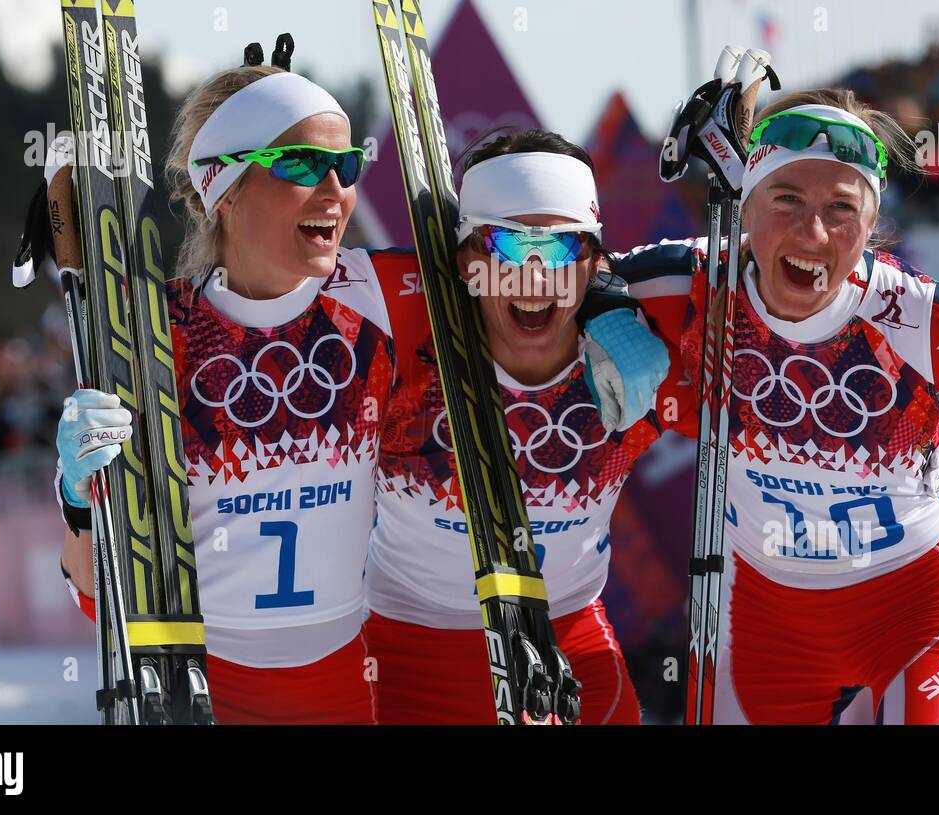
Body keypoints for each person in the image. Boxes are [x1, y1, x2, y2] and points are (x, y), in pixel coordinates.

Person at [50, 60, 664, 724]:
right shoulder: (152, 336)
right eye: (302, 165)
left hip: (339, 690)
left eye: (344, 165)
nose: (334, 189)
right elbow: (97, 591)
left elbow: (530, 256)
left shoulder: (382, 296)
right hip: (199, 687)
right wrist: (78, 502)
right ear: (221, 184)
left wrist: (610, 300)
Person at [365, 127, 939, 724]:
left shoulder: (651, 352)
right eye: (507, 248)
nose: (535, 276)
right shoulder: (399, 339)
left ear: (594, 261)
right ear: (467, 261)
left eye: (561, 250)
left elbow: (776, 307)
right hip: (404, 653)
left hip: (563, 651)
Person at [619, 68, 939, 724]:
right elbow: (561, 276)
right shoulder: (691, 279)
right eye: (787, 200)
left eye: (841, 209)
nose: (814, 233)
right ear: (745, 204)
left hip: (916, 604)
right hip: (767, 619)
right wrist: (604, 313)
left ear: (870, 226)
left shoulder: (918, 318)